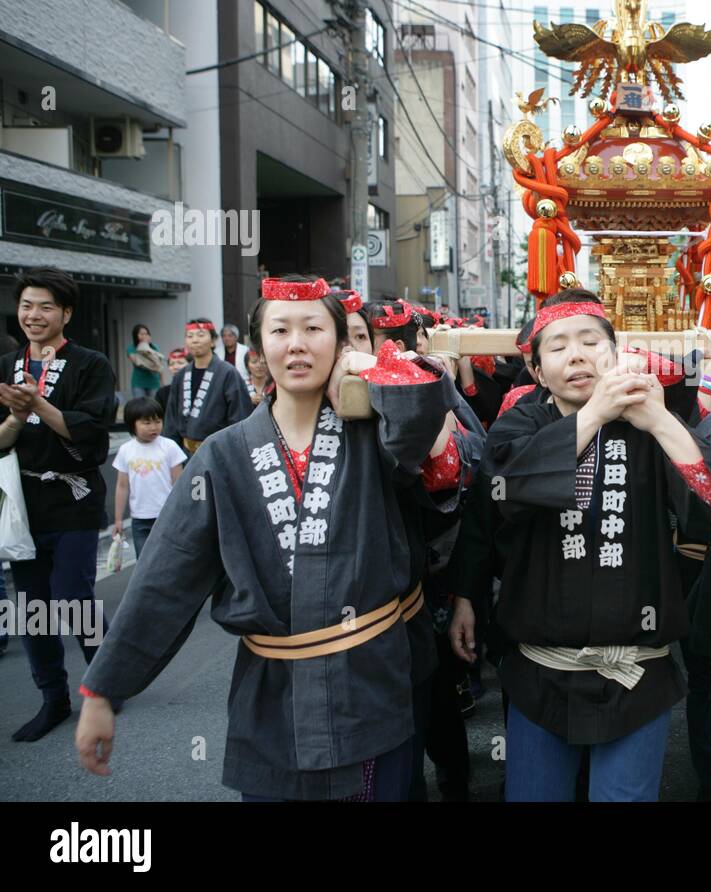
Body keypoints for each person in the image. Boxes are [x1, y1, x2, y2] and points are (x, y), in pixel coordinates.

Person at [76, 275, 456, 800]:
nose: (296, 343)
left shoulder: (375, 436)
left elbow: (428, 401)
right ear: (258, 349)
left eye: (314, 329)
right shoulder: (222, 454)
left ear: (340, 342)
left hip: (370, 679)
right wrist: (103, 689)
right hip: (272, 691)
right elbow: (168, 575)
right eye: (280, 330)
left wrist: (364, 368)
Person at [454, 289, 711, 802]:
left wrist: (660, 420)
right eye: (558, 347)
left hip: (637, 671)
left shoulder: (652, 423)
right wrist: (592, 417)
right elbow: (505, 493)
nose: (577, 354)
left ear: (616, 353)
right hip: (541, 670)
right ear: (537, 372)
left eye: (591, 342)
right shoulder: (521, 424)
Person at [0, 266, 117, 742]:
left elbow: (92, 437)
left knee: (72, 596)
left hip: (74, 496)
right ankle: (53, 699)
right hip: (24, 505)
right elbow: (2, 439)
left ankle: (107, 684)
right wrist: (14, 417)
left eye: (46, 306)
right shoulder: (6, 364)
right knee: (31, 608)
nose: (34, 314)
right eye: (27, 305)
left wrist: (39, 407)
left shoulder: (91, 364)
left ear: (66, 313)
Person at [163, 318, 253, 455]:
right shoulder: (181, 375)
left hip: (218, 453)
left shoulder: (228, 373)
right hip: (184, 452)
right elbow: (171, 418)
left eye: (200, 335)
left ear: (213, 340)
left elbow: (239, 416)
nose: (194, 340)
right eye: (190, 336)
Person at [112, 397, 186, 558]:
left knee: (168, 560)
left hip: (166, 515)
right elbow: (122, 486)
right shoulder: (126, 450)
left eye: (158, 421)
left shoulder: (169, 446)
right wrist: (118, 519)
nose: (154, 427)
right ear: (133, 424)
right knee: (144, 563)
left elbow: (179, 484)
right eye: (146, 423)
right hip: (140, 519)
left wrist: (182, 512)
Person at [127, 324, 164, 400]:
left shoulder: (155, 347)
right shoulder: (131, 349)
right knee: (140, 407)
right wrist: (144, 346)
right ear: (136, 335)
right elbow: (140, 363)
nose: (144, 336)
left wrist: (162, 381)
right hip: (139, 383)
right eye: (142, 334)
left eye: (146, 334)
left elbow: (160, 366)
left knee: (154, 406)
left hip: (154, 383)